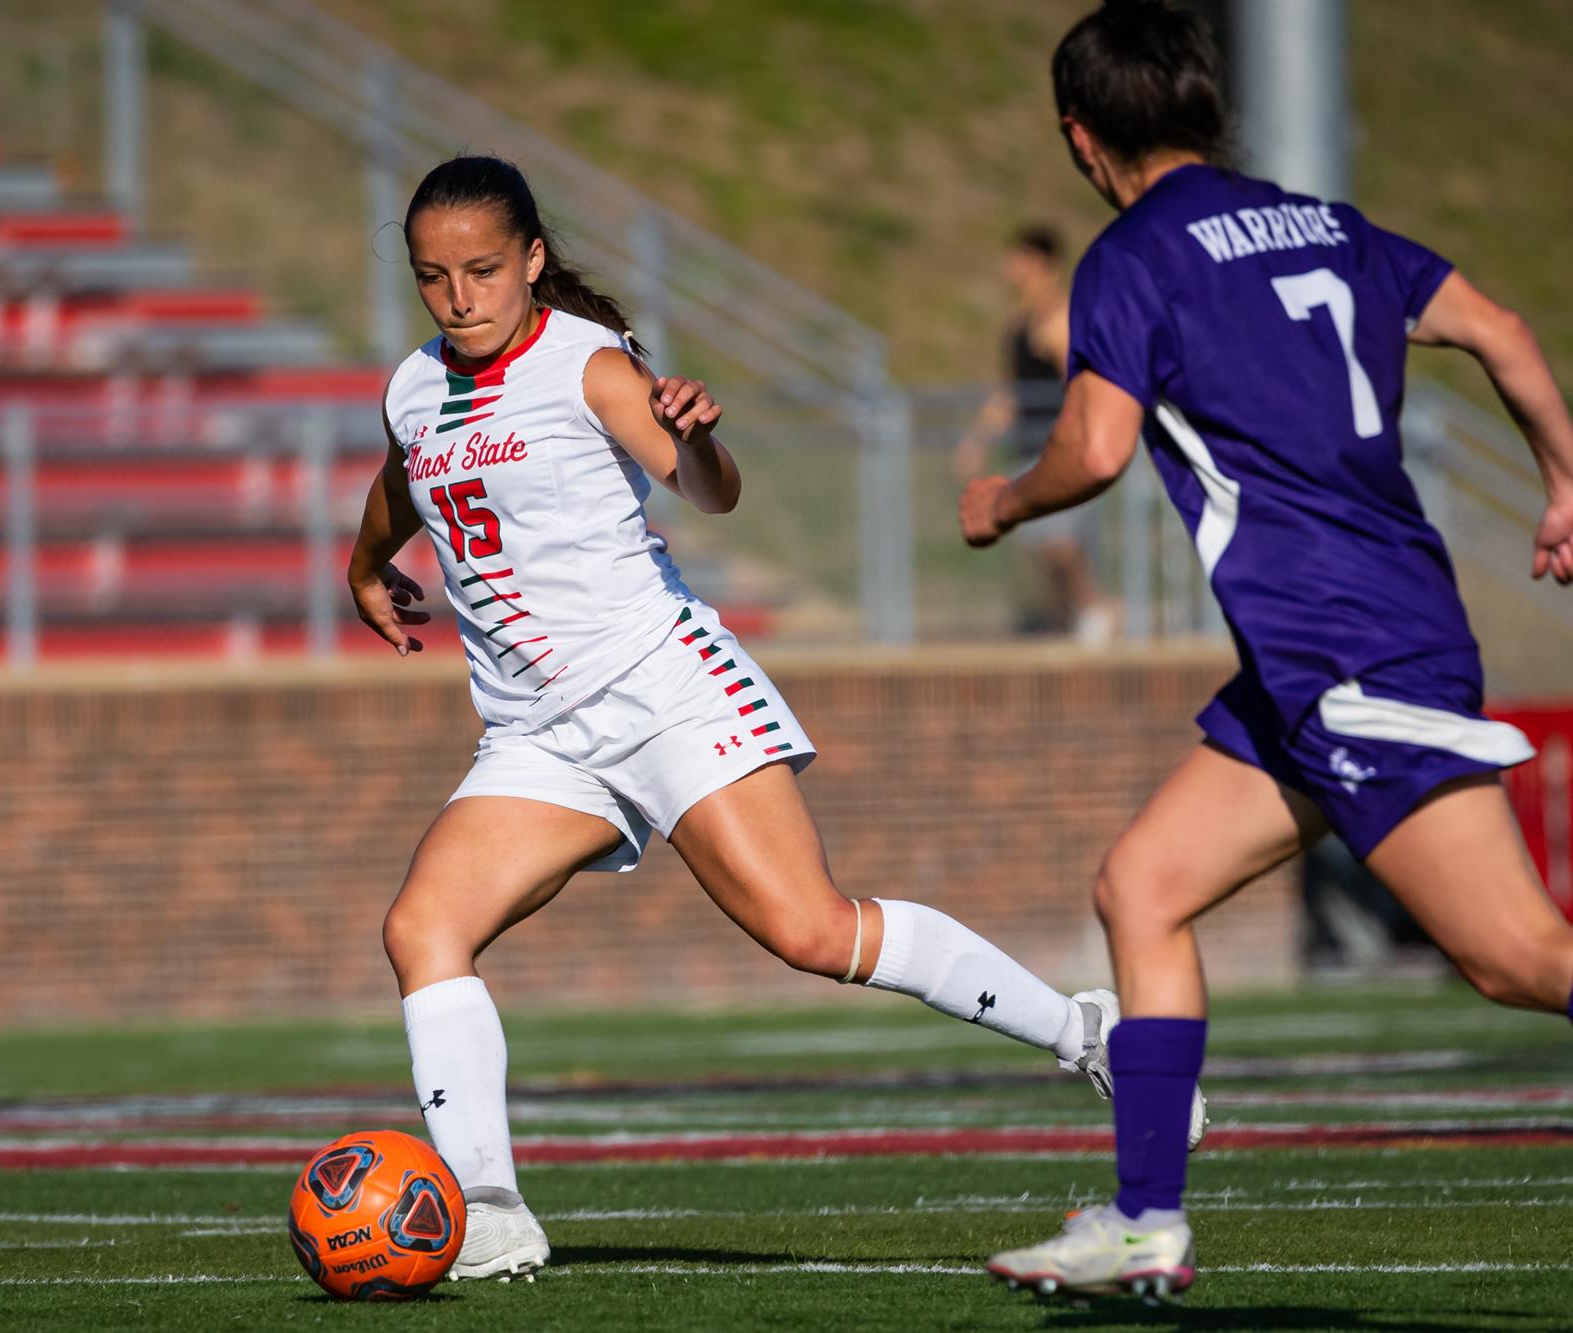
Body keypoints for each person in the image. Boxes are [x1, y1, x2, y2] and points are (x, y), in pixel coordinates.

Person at [349, 154, 1202, 1283]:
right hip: (536, 733)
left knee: (809, 932)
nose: (459, 297)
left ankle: (1084, 1032)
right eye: (433, 276)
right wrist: (365, 566)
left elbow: (712, 491)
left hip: (661, 687)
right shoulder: (414, 383)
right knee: (422, 929)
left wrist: (692, 434)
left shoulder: (589, 368)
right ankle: (493, 1209)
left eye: (483, 270)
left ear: (534, 260)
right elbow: (408, 472)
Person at [962, 0, 1573, 1300]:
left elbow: (1098, 448)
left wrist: (1004, 500)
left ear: (1082, 139)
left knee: (1518, 958)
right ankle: (1143, 1221)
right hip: (1323, 657)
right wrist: (1564, 481)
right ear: (1203, 104)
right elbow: (1507, 332)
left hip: (1351, 655)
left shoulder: (1132, 259)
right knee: (1144, 886)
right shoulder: (1329, 224)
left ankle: (1141, 1217)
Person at [953, 226, 1110, 644]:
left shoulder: (1058, 319)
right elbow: (1008, 394)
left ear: (1042, 263)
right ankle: (1067, 621)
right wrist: (977, 442)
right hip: (1026, 446)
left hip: (1055, 447)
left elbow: (1078, 385)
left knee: (1062, 542)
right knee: (1041, 546)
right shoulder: (1018, 324)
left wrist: (1077, 437)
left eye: (1018, 258)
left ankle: (1094, 610)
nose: (1010, 268)